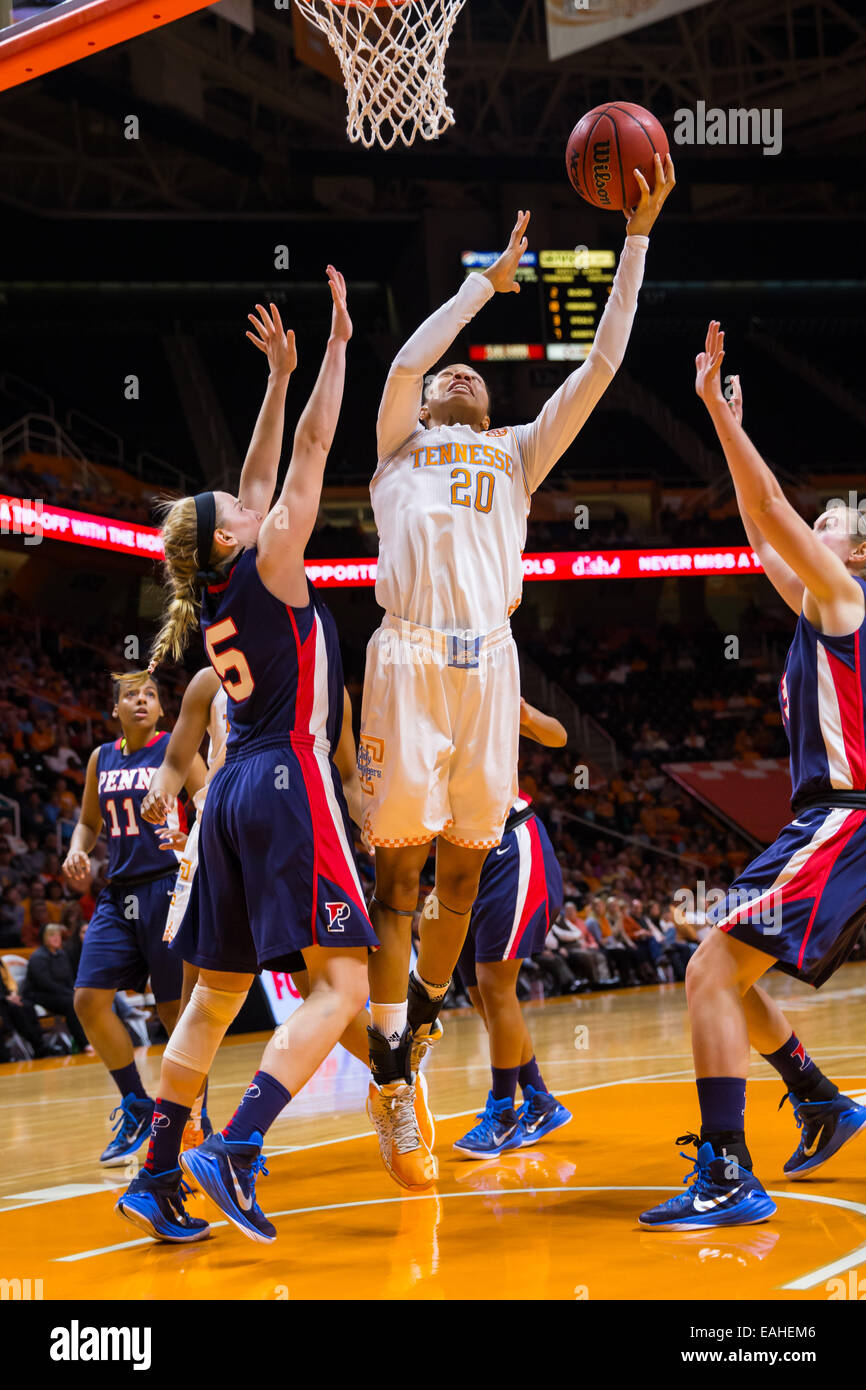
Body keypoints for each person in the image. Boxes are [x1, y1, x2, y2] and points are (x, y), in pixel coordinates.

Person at [359, 160, 676, 1191]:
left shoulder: (515, 454)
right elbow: (409, 358)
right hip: (406, 653)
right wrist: (482, 288)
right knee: (399, 877)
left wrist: (635, 237)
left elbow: (601, 361)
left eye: (471, 375)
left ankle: (410, 1034)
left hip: (488, 663)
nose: (454, 377)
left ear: (492, 400)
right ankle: (396, 1080)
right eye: (451, 374)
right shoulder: (398, 443)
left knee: (460, 874)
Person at [117, 267, 378, 1246]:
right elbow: (310, 448)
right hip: (287, 777)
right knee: (342, 983)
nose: (248, 492)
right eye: (233, 498)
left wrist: (276, 374)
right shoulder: (269, 560)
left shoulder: (231, 577)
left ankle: (153, 1171)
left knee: (215, 1000)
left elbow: (265, 472)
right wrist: (340, 345)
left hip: (226, 795)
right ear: (231, 532)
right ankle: (237, 1145)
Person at [640, 324, 866, 1232]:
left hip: (844, 821)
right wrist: (725, 428)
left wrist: (714, 418)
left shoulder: (849, 600)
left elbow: (773, 510)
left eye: (835, 522)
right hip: (823, 822)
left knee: (705, 972)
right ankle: (818, 1099)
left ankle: (729, 1173)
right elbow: (759, 525)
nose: (818, 527)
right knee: (728, 972)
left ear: (855, 554)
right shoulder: (823, 602)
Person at [62, 669, 206, 1164]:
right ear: (116, 710)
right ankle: (136, 1102)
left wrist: (194, 841)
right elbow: (87, 822)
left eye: (150, 695)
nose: (141, 700)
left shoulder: (177, 749)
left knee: (173, 1012)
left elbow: (210, 805)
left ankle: (193, 1116)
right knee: (87, 999)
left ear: (163, 710)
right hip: (119, 893)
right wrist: (76, 851)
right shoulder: (101, 758)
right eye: (131, 695)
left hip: (169, 885)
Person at [453, 699, 572, 1157]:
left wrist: (521, 712)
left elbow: (558, 734)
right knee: (479, 992)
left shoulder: (487, 682)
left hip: (509, 846)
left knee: (494, 985)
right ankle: (539, 1099)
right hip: (462, 858)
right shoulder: (418, 696)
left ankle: (503, 1114)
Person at [22, 923, 91, 1053]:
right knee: (71, 1003)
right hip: (39, 995)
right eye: (52, 935)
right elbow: (45, 983)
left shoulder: (62, 954)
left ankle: (93, 1038)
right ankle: (83, 1043)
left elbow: (69, 978)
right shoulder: (38, 957)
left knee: (82, 999)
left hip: (59, 993)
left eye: (58, 935)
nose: (56, 938)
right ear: (44, 938)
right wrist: (69, 993)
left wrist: (75, 991)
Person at [0, 952, 50, 1058]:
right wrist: (6, 998)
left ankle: (39, 1046)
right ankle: (6, 1055)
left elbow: (10, 981)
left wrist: (13, 993)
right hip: (2, 1000)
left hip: (8, 996)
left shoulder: (1, 962)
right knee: (15, 1009)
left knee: (26, 1005)